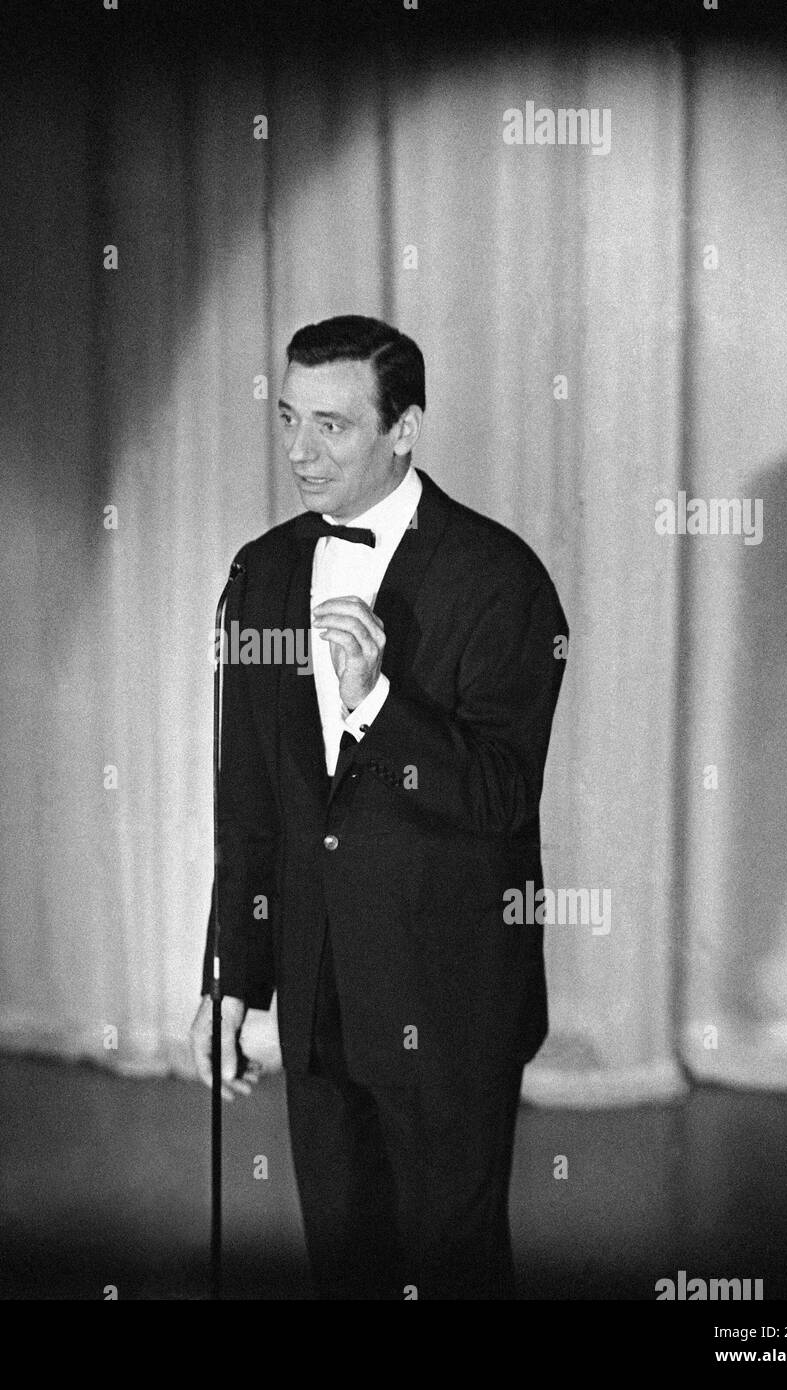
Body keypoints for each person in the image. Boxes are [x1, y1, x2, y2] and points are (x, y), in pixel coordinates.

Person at [190, 314, 568, 1299]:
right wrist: (233, 976)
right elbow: (251, 807)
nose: (298, 453)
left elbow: (499, 793)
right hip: (320, 1002)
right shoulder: (261, 572)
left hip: (449, 1002)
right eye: (286, 420)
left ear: (404, 429)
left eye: (331, 426)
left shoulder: (500, 579)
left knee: (452, 1272)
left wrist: (378, 706)